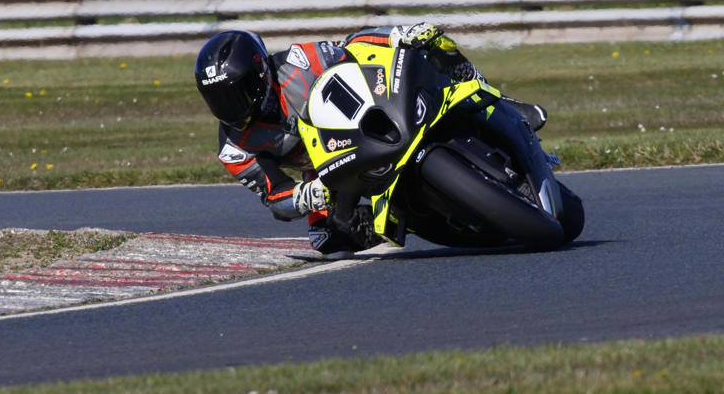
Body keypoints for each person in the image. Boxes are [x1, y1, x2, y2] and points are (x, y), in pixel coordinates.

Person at [194, 23, 547, 260]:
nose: (229, 109)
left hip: (367, 117)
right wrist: (305, 197)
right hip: (325, 175)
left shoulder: (302, 61)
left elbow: (357, 53)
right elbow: (274, 198)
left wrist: (395, 39)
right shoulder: (234, 147)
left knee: (409, 40)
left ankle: (498, 99)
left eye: (236, 95)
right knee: (329, 242)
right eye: (218, 101)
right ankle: (396, 218)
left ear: (259, 75)